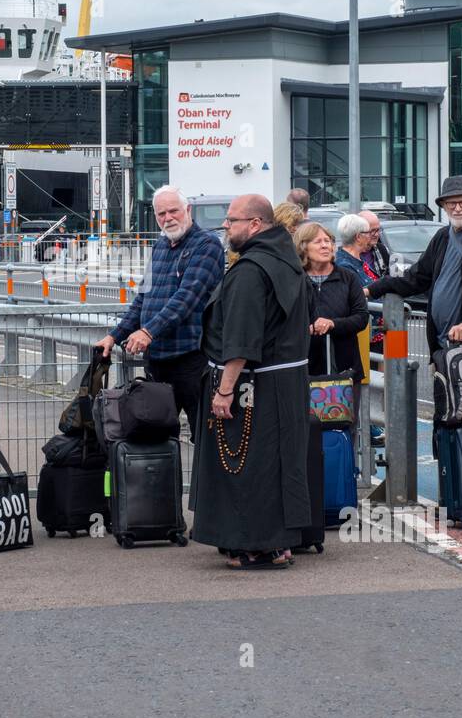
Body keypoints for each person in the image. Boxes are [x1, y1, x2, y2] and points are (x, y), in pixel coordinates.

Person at [189, 194, 311, 570]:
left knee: (246, 465)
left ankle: (256, 546)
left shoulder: (250, 271)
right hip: (287, 383)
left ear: (255, 224)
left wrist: (225, 390)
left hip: (253, 384)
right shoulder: (286, 262)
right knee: (280, 464)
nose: (226, 227)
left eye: (232, 220)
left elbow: (241, 339)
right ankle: (281, 542)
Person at [99, 186, 224, 443]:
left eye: (174, 211)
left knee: (206, 436)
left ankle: (204, 485)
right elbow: (143, 299)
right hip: (158, 360)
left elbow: (188, 297)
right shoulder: (160, 246)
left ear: (188, 210)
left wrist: (148, 331)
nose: (168, 218)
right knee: (157, 436)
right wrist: (114, 336)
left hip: (192, 358)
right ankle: (167, 483)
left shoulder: (207, 245)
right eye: (161, 214)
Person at [368, 175, 462, 358]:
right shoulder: (443, 236)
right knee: (442, 386)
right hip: (444, 341)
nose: (457, 208)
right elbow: (417, 277)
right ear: (443, 206)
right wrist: (373, 289)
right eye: (451, 203)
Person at [334, 213, 385, 444]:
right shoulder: (346, 265)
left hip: (381, 333)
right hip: (366, 335)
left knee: (383, 376)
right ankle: (372, 426)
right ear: (358, 236)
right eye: (369, 232)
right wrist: (377, 289)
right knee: (367, 381)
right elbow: (359, 293)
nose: (373, 236)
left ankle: (376, 423)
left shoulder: (362, 259)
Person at [297, 220, 369, 379]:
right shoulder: (295, 279)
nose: (325, 246)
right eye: (317, 242)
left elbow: (362, 317)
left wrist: (333, 324)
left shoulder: (347, 277)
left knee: (343, 406)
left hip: (345, 368)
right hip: (305, 369)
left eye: (327, 241)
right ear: (304, 248)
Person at [358, 210, 391, 279]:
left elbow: (389, 275)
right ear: (359, 231)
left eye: (378, 230)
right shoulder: (348, 254)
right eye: (372, 231)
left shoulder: (382, 249)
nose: (376, 234)